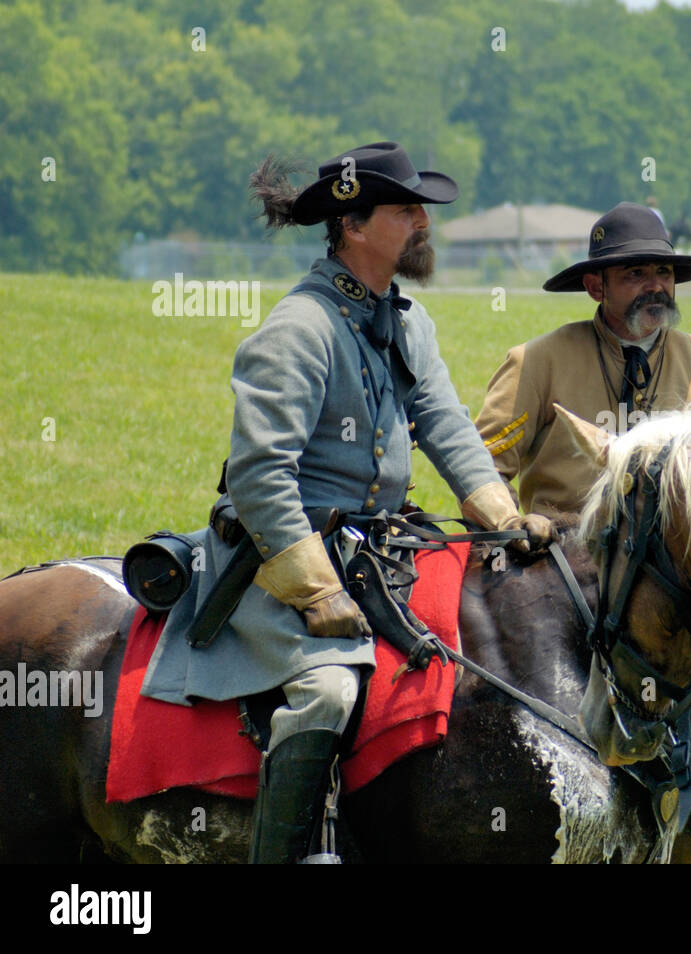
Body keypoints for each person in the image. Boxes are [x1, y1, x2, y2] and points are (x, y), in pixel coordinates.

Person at [140, 141, 552, 863]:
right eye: (406, 209)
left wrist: (502, 515)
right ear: (354, 225)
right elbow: (259, 476)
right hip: (279, 554)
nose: (423, 220)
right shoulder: (299, 329)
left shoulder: (405, 319)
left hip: (377, 550)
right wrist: (315, 587)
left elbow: (448, 426)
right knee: (329, 690)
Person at [476, 202, 691, 518]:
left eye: (664, 272)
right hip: (564, 554)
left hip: (677, 561)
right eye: (635, 274)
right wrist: (511, 524)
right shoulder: (537, 362)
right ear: (595, 287)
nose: (655, 286)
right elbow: (481, 467)